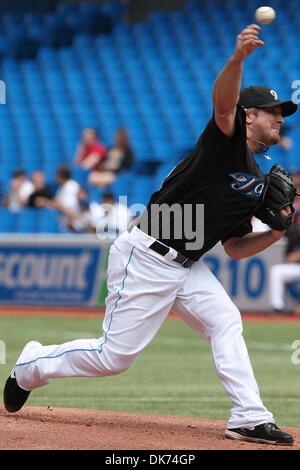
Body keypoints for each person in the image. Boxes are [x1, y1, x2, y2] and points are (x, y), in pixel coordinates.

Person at [3, 25, 297, 446]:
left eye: (283, 112)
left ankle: (249, 417)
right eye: (274, 111)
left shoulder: (257, 183)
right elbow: (221, 106)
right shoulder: (225, 144)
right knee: (113, 358)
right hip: (147, 255)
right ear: (248, 116)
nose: (281, 118)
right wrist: (237, 59)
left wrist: (276, 231)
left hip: (187, 266)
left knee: (226, 321)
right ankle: (31, 364)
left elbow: (233, 249)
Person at [269, 175, 300, 314]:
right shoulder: (294, 228)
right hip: (296, 267)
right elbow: (289, 257)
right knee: (277, 271)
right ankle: (277, 307)